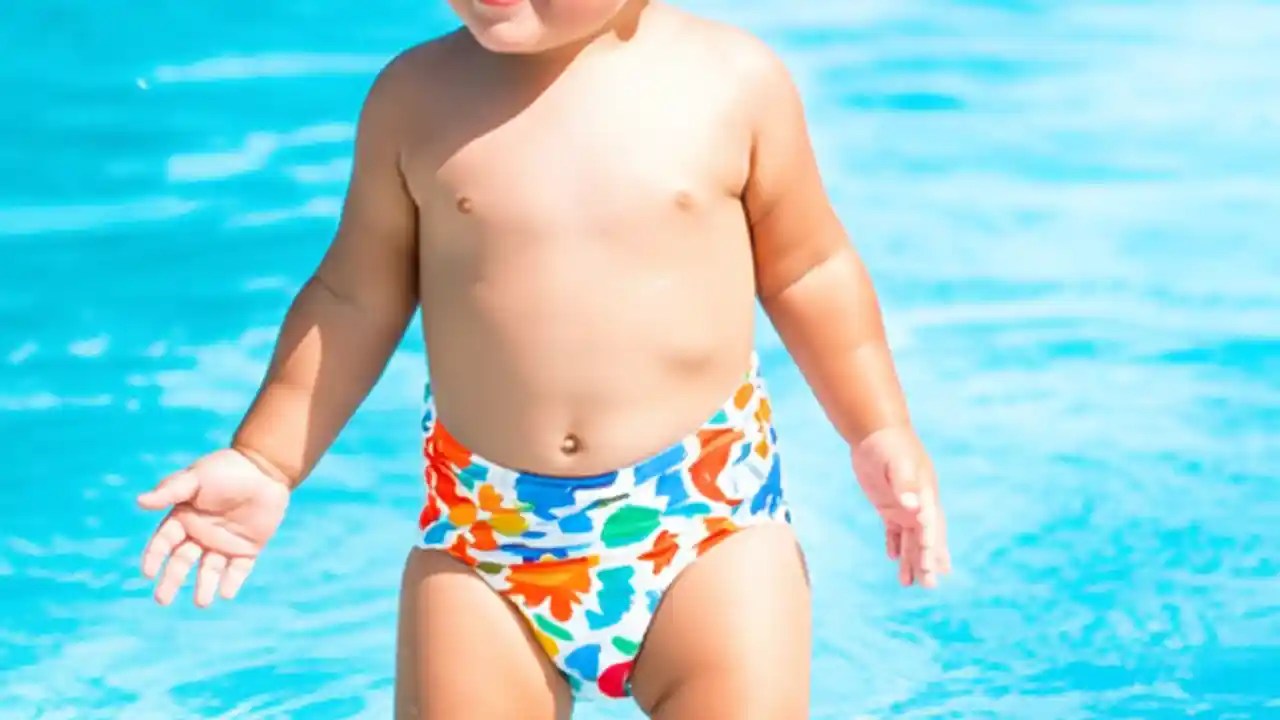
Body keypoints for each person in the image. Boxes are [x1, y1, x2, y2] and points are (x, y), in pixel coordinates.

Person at [136, 1, 951, 717]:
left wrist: (877, 426)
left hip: (706, 520)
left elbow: (809, 270)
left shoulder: (732, 82)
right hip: (487, 533)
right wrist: (267, 457)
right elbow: (355, 296)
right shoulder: (413, 99)